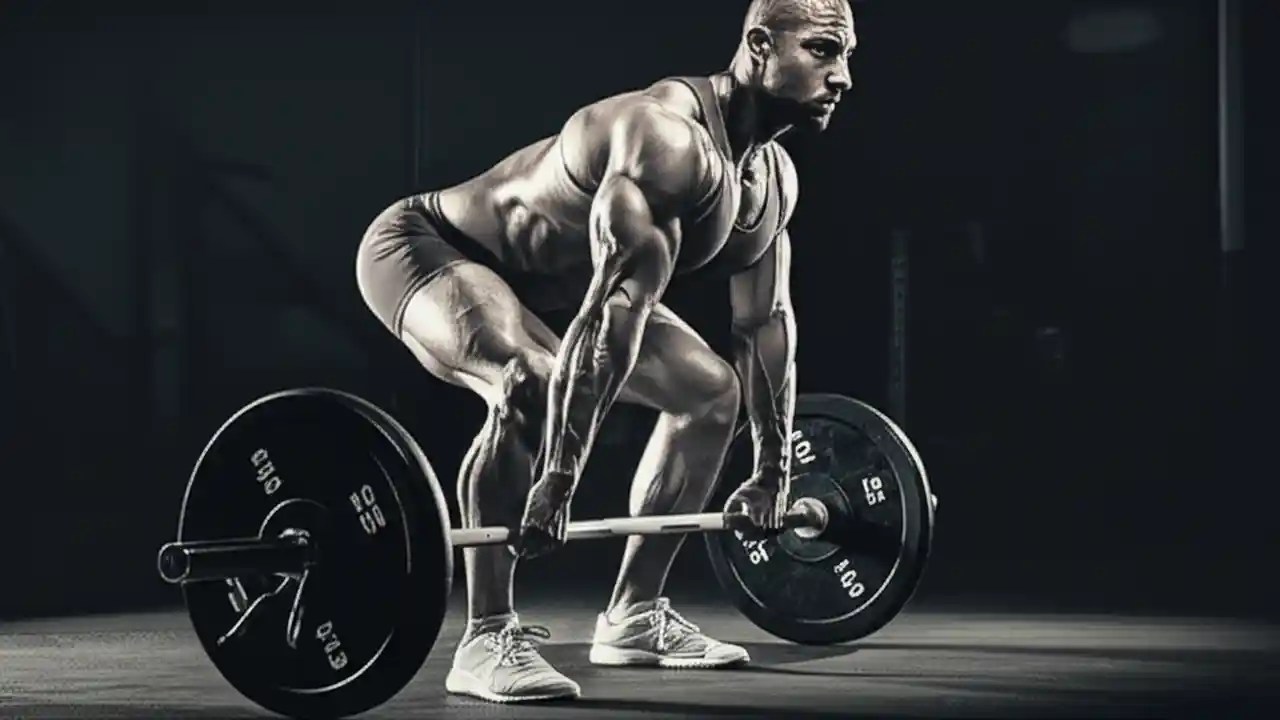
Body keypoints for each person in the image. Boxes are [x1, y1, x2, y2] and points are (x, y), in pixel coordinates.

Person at [355, 0, 855, 703]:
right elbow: (610, 315)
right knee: (530, 377)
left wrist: (772, 470)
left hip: (556, 296)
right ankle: (485, 635)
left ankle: (634, 615)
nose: (844, 77)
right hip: (429, 249)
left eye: (847, 56)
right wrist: (556, 480)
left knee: (711, 392)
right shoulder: (666, 139)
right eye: (825, 51)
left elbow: (765, 326)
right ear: (759, 46)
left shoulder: (770, 184)